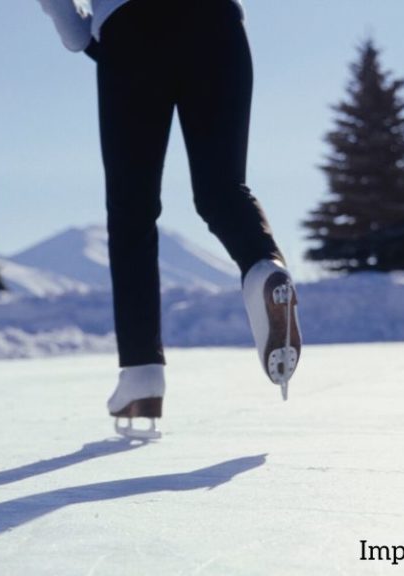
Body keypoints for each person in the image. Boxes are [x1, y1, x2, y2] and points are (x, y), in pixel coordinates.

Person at [37, 0, 302, 436]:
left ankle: (142, 374)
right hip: (218, 23)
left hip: (131, 27)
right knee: (223, 189)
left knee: (132, 210)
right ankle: (263, 268)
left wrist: (78, 34)